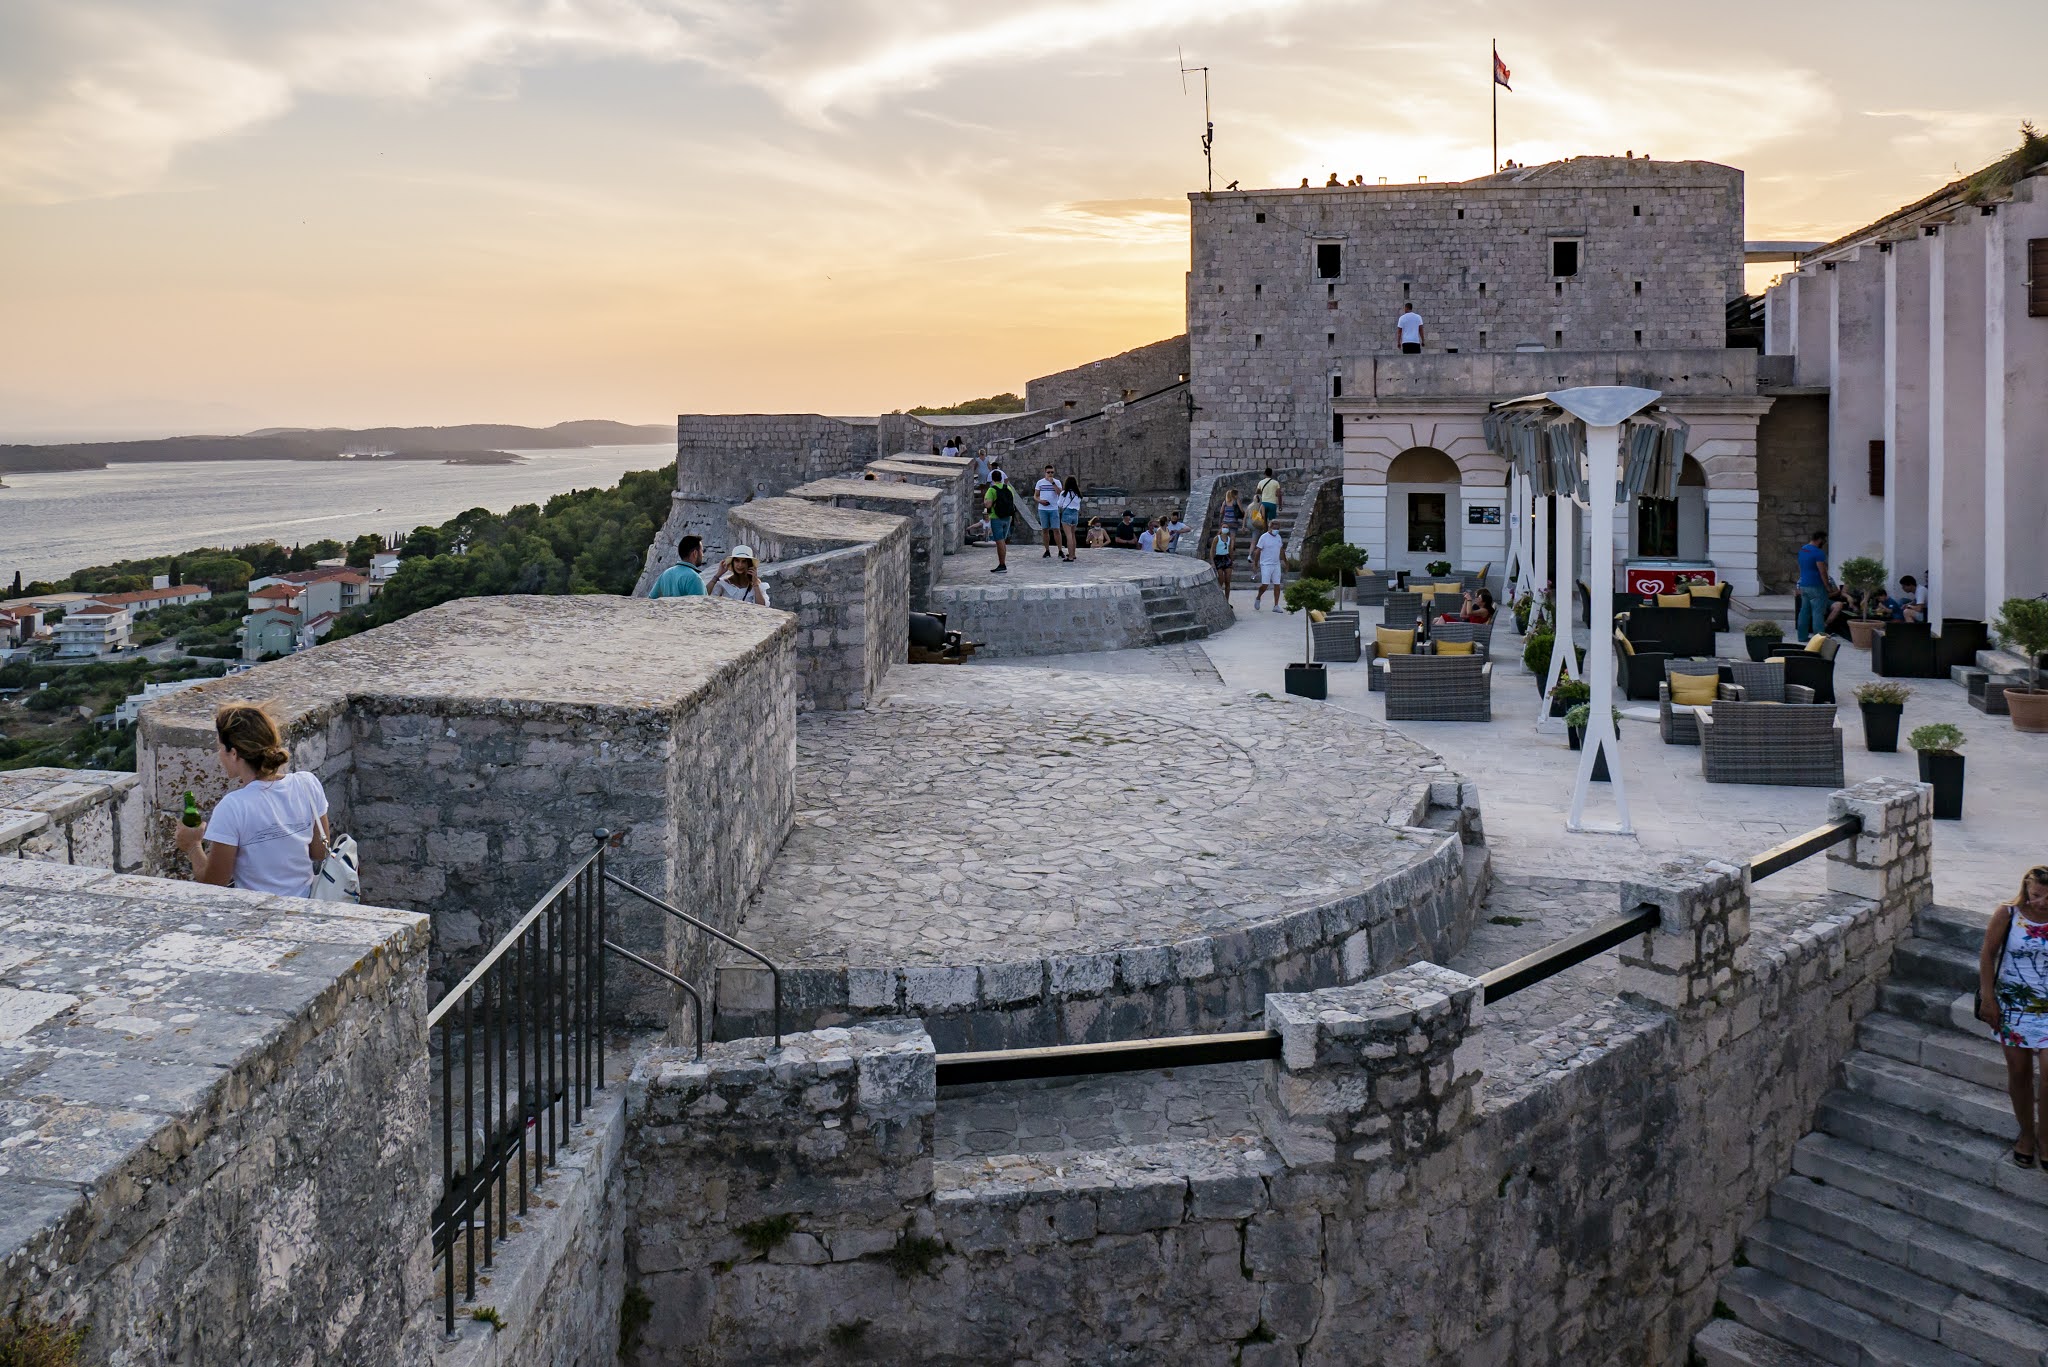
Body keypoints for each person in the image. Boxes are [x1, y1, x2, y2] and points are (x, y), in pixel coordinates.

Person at [173, 701, 331, 897]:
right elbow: (319, 853)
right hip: (304, 907)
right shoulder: (307, 784)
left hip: (260, 918)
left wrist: (193, 846)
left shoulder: (233, 807)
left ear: (234, 753)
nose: (219, 754)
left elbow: (214, 882)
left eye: (221, 748)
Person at [1978, 867, 2048, 1167]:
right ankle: (2026, 1135)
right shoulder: (2007, 914)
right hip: (2012, 1007)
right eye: (2037, 895)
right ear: (2026, 888)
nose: (2043, 902)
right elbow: (1987, 955)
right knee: (2019, 1075)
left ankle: (2046, 1137)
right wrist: (1988, 999)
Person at [1795, 530, 1832, 640]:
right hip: (1816, 586)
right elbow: (1822, 572)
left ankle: (1801, 637)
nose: (1824, 542)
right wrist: (1827, 586)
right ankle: (1819, 639)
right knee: (1817, 613)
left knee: (1804, 612)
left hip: (1804, 584)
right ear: (1820, 539)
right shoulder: (1818, 553)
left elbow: (1801, 567)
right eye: (1824, 540)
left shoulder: (1802, 550)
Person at [706, 545, 771, 605]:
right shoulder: (724, 583)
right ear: (733, 563)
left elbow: (762, 606)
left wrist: (755, 583)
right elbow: (705, 596)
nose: (740, 565)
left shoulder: (756, 584)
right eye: (737, 561)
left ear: (749, 564)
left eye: (744, 561)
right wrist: (718, 575)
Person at [984, 468, 1016, 573]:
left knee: (999, 541)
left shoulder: (991, 490)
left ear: (992, 479)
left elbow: (988, 505)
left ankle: (1002, 564)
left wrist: (986, 502)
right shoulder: (1008, 488)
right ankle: (1003, 563)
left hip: (996, 517)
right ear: (1001, 478)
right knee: (1003, 540)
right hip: (1008, 517)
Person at [1253, 520, 1284, 610]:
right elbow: (1258, 551)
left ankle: (1276, 605)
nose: (1276, 530)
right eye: (1274, 528)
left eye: (1278, 528)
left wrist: (1285, 561)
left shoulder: (1278, 537)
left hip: (1276, 564)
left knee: (1277, 584)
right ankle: (1258, 597)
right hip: (1266, 564)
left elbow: (1281, 550)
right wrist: (1255, 563)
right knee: (1265, 584)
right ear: (1270, 527)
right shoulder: (1264, 537)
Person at [1034, 465, 1062, 559]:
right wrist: (1040, 501)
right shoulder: (1040, 482)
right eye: (1048, 472)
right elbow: (1036, 495)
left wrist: (1053, 483)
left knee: (1056, 530)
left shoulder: (1057, 482)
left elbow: (1060, 493)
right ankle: (1047, 550)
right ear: (1045, 472)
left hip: (1053, 508)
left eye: (1052, 472)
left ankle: (1060, 550)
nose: (1050, 474)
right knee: (1045, 530)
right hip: (1043, 509)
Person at [1057, 476, 1082, 562]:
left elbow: (1059, 504)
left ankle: (1070, 556)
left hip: (1067, 513)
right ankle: (1073, 554)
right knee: (1073, 534)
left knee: (1068, 536)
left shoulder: (1064, 493)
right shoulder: (1078, 494)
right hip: (1075, 514)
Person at [1211, 525, 1236, 597]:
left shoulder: (1229, 539)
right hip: (1218, 558)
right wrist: (1212, 561)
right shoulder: (1217, 538)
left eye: (1227, 527)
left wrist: (1231, 560)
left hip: (1226, 558)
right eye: (1224, 527)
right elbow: (1212, 550)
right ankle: (1218, 596)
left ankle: (1227, 600)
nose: (1225, 529)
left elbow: (1230, 550)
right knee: (1221, 579)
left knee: (1228, 581)